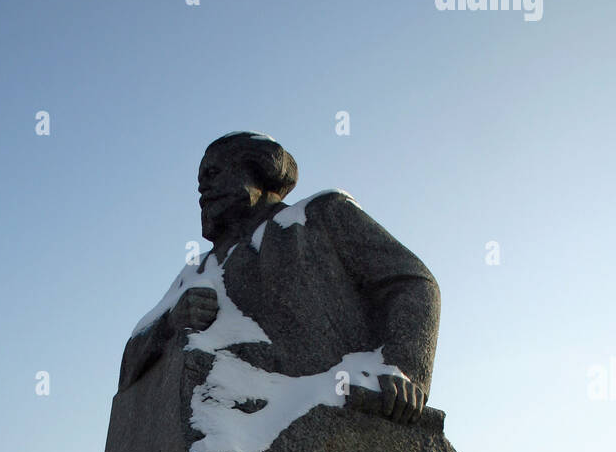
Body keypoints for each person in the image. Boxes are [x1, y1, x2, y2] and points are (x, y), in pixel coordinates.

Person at [119, 131, 440, 428]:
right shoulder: (196, 270)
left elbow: (412, 283)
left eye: (212, 175)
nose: (202, 190)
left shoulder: (321, 216)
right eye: (199, 182)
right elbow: (131, 362)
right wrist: (172, 322)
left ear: (255, 171)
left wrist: (401, 370)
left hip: (330, 417)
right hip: (227, 426)